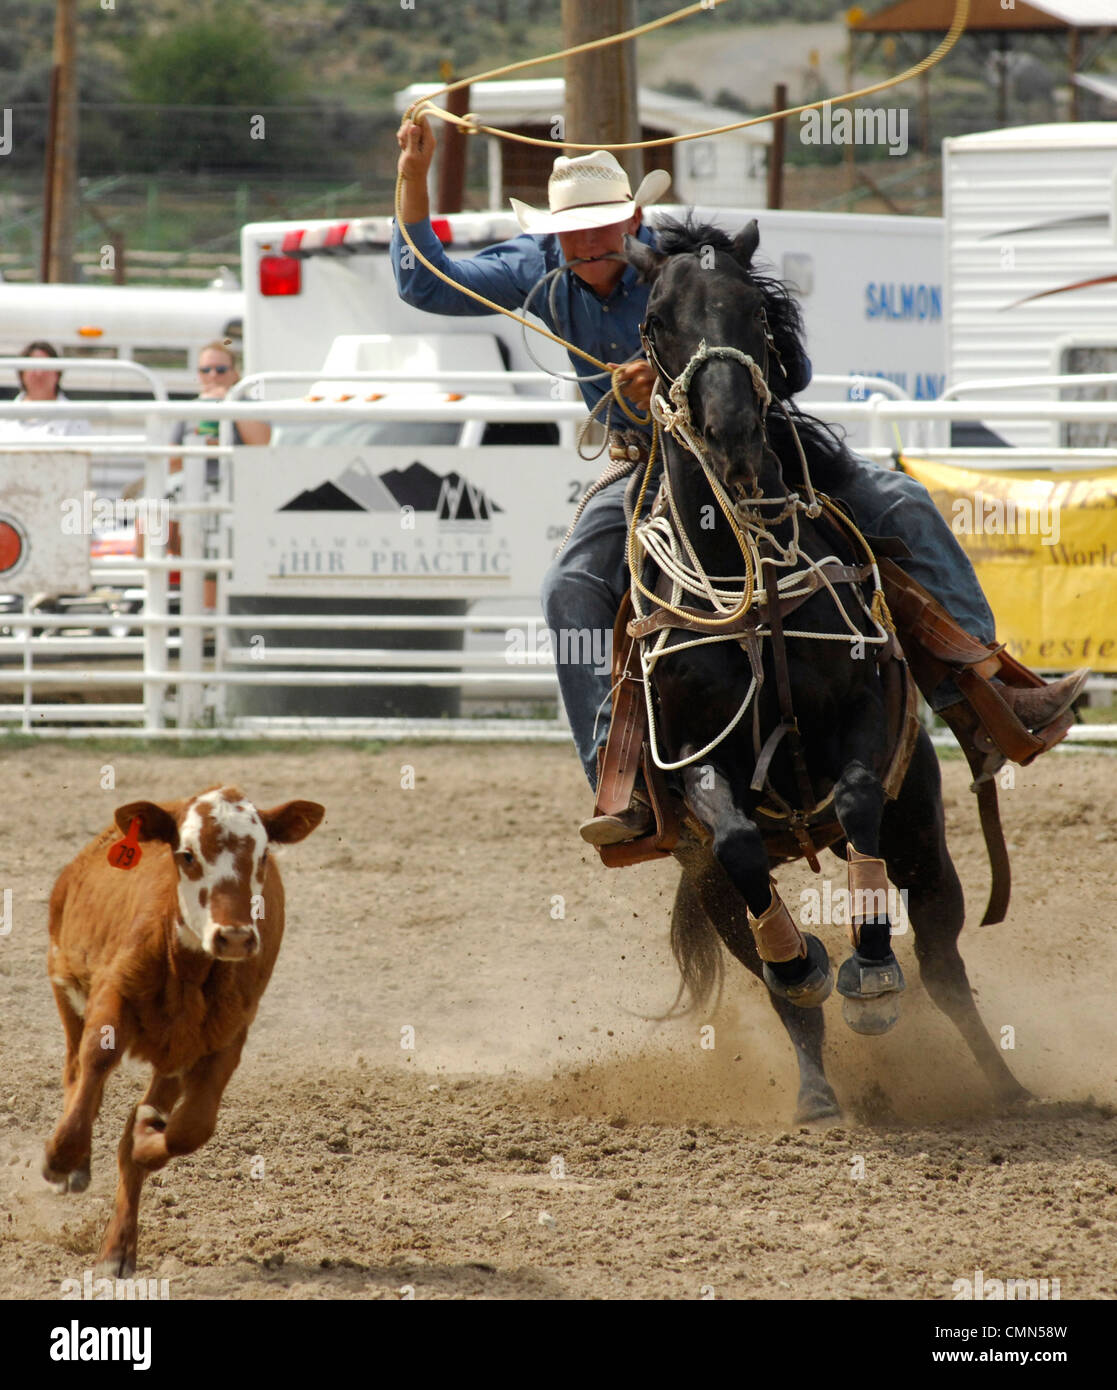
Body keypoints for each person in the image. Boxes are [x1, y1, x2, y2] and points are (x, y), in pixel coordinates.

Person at [392, 116, 1087, 846]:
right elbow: (422, 279)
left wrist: (667, 378)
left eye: (604, 225)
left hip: (754, 442)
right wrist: (414, 172)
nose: (590, 243)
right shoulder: (540, 270)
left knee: (900, 501)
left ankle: (984, 689)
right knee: (569, 587)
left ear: (632, 218)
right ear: (554, 234)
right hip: (649, 466)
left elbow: (789, 371)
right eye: (574, 231)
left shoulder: (688, 264)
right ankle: (615, 770)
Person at [0, 340, 93, 439]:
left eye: (45, 367)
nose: (39, 373)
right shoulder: (4, 418)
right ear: (22, 374)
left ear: (57, 373)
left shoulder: (75, 419)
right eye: (33, 367)